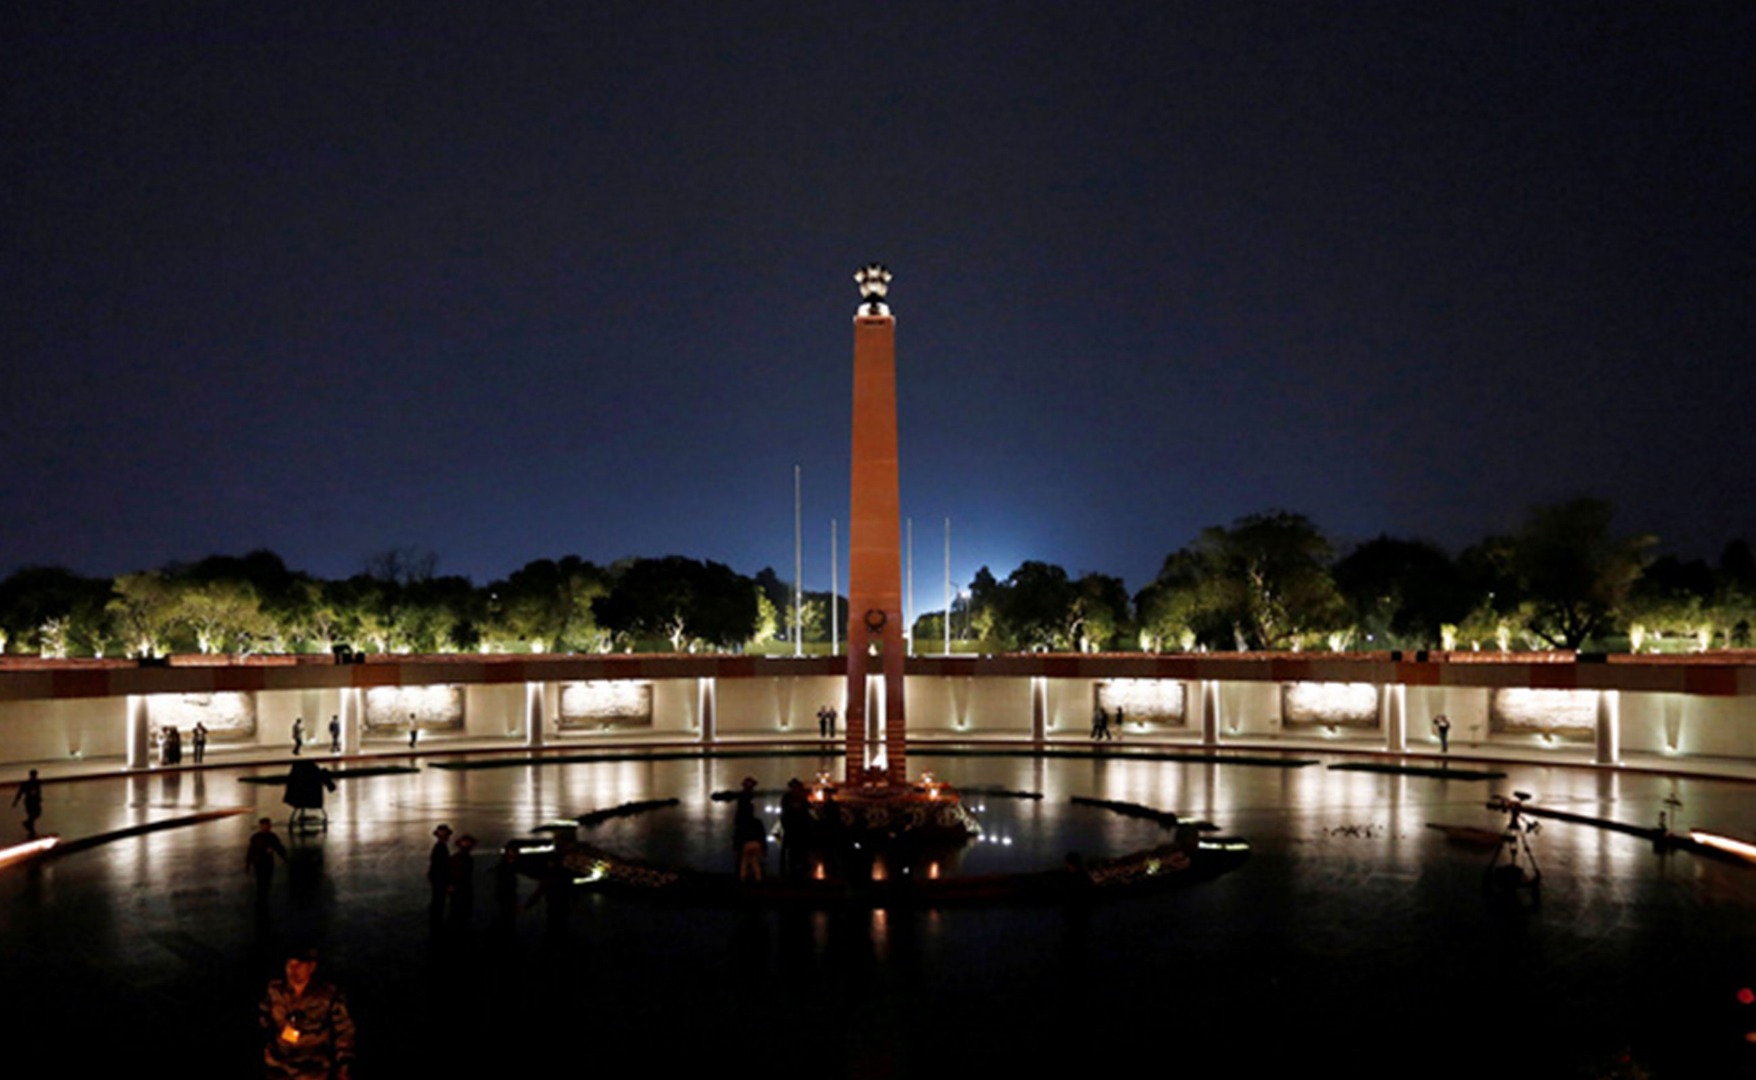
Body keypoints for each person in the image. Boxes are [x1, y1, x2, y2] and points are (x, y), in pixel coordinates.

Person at [260, 946, 354, 1079]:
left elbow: (344, 1030)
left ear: (311, 967)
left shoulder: (327, 995)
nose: (293, 970)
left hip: (314, 1068)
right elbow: (263, 1022)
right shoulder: (275, 992)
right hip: (279, 1067)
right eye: (290, 965)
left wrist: (344, 1064)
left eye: (299, 965)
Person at [246, 817, 288, 906]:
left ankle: (262, 899)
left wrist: (285, 857)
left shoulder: (260, 837)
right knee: (262, 881)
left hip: (265, 862)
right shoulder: (261, 837)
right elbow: (251, 850)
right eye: (264, 825)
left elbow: (279, 847)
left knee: (265, 881)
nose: (266, 827)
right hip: (261, 862)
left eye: (267, 825)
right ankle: (262, 898)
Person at [733, 777, 766, 883]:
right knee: (753, 862)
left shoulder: (742, 814)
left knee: (744, 861)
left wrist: (736, 844)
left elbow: (738, 831)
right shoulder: (755, 822)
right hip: (753, 842)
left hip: (745, 841)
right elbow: (761, 834)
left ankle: (742, 878)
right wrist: (764, 847)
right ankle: (757, 878)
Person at [448, 833, 478, 930]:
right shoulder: (467, 859)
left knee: (456, 913)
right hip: (463, 889)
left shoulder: (455, 858)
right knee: (463, 914)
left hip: (458, 889)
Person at [428, 824, 453, 929]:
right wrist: (448, 882)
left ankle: (435, 921)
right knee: (439, 901)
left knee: (437, 900)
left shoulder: (438, 847)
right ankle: (437, 924)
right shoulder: (441, 848)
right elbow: (442, 866)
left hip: (436, 878)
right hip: (440, 879)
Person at [13, 769, 43, 839]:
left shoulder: (36, 782)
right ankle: (31, 829)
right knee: (33, 814)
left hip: (33, 801)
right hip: (30, 801)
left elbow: (38, 791)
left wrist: (39, 797)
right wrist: (15, 801)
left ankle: (29, 825)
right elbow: (20, 793)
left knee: (36, 814)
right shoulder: (28, 783)